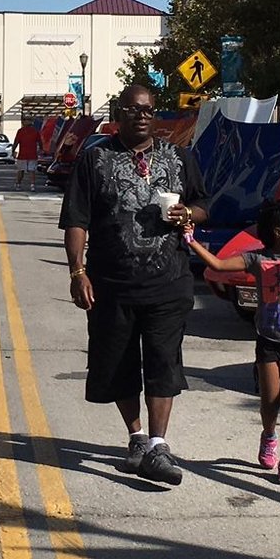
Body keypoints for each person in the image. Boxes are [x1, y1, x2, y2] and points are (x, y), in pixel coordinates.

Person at [60, 83, 207, 486]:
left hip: (169, 282)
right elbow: (76, 219)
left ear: (154, 114)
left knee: (163, 362)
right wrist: (77, 271)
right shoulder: (94, 160)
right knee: (119, 363)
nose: (141, 116)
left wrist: (187, 213)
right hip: (112, 284)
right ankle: (137, 438)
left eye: (147, 110)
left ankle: (160, 445)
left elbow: (203, 204)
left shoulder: (179, 157)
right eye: (132, 109)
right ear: (119, 113)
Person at [183, 198, 280, 485]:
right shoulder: (258, 259)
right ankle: (269, 435)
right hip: (269, 339)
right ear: (278, 233)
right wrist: (191, 240)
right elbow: (218, 264)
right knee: (270, 400)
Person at [11, 118, 42, 189]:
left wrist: (13, 151)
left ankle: (18, 184)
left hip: (23, 154)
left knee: (21, 170)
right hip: (32, 154)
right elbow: (40, 142)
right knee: (32, 170)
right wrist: (41, 149)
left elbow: (16, 142)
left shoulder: (20, 131)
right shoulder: (35, 131)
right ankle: (32, 185)